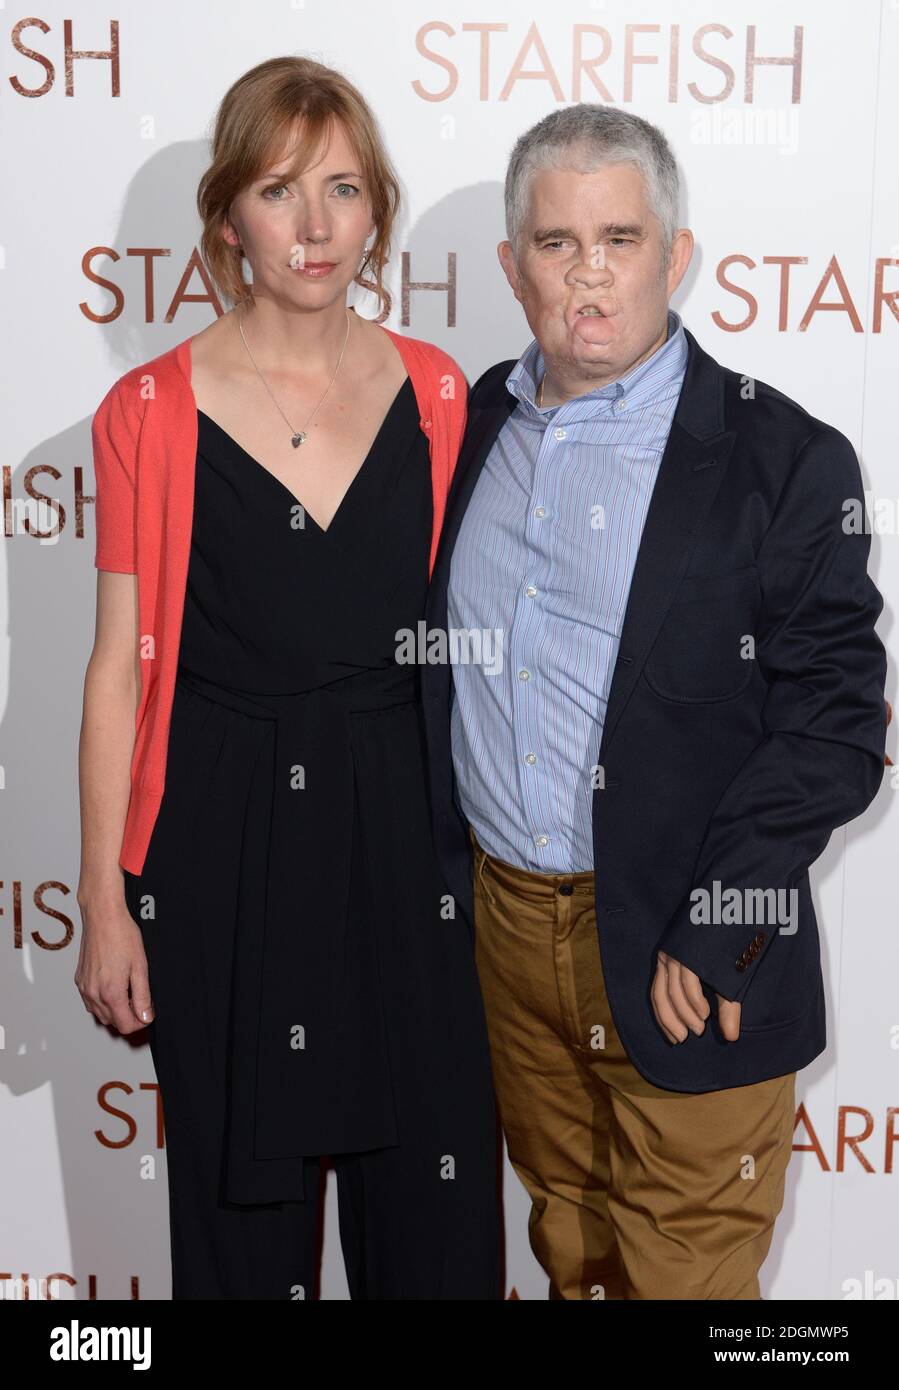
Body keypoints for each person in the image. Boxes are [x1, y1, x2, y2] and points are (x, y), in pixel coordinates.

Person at [421, 104, 887, 1299]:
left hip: (686, 945)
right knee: (568, 1248)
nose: (587, 275)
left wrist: (723, 917)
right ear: (511, 266)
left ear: (674, 256)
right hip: (508, 937)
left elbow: (836, 722)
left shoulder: (784, 458)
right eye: (555, 242)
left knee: (682, 1279)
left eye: (618, 238)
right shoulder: (464, 424)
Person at [76, 55, 499, 1301]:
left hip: (406, 848)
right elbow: (114, 673)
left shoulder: (437, 394)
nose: (314, 228)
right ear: (226, 218)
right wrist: (103, 901)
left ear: (377, 213)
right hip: (220, 853)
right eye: (277, 189)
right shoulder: (145, 410)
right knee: (237, 1243)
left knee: (434, 1227)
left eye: (343, 190)